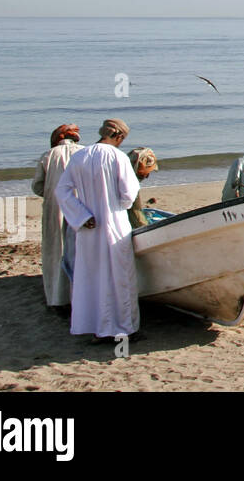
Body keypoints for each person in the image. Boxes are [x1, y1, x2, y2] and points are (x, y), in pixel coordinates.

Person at [54, 119, 140, 341]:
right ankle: (123, 329)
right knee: (119, 277)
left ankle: (96, 328)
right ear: (119, 137)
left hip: (88, 227)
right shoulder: (118, 157)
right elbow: (129, 195)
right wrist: (118, 204)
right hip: (114, 222)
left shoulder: (79, 156)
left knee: (92, 277)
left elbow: (62, 191)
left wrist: (81, 215)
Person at [32, 123, 82, 310]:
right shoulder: (85, 152)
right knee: (76, 249)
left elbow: (38, 186)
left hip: (55, 207)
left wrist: (50, 193)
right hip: (80, 207)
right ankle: (78, 294)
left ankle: (57, 299)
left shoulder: (49, 155)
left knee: (55, 248)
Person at [126, 148, 159, 229]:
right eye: (146, 173)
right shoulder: (131, 186)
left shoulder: (120, 178)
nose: (147, 176)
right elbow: (138, 218)